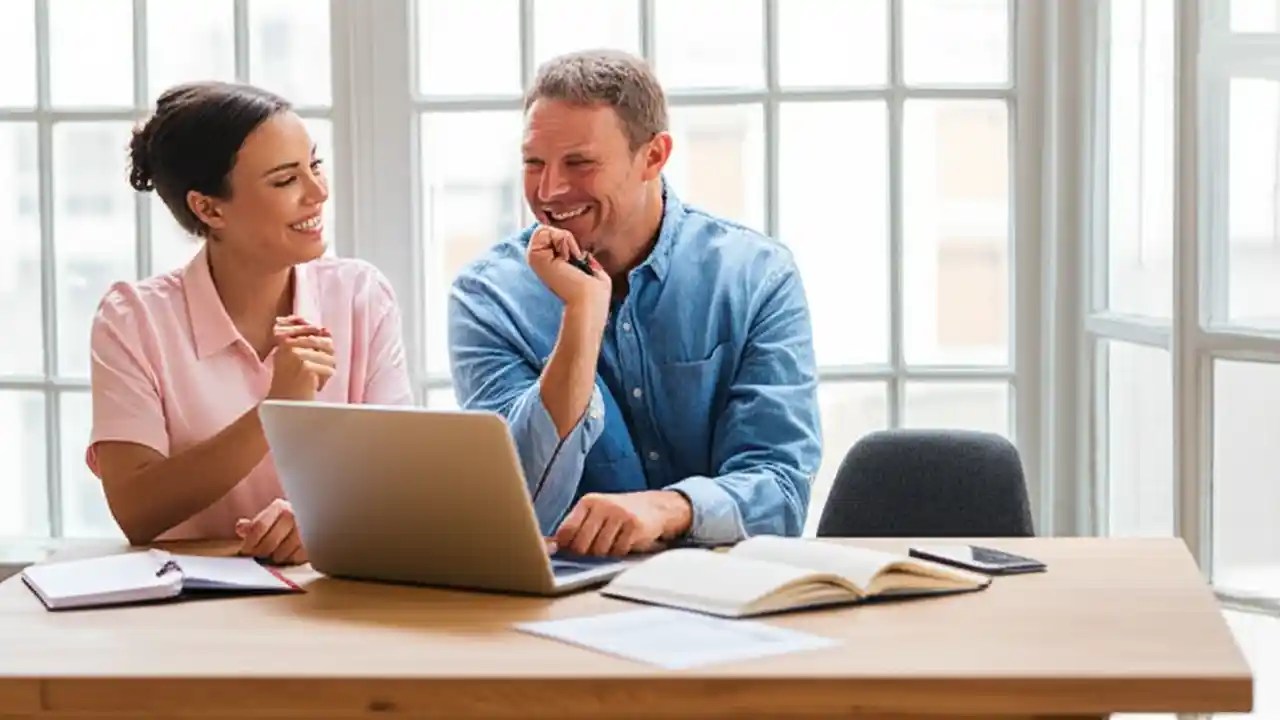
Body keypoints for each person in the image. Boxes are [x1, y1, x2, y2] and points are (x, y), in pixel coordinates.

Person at [448, 50, 822, 558]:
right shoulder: (487, 298)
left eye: (579, 163)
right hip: (561, 604)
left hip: (725, 594)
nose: (550, 190)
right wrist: (581, 316)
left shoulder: (756, 276)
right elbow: (517, 502)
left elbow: (780, 491)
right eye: (534, 163)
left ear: (654, 156)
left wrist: (667, 508)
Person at [88, 81, 413, 564]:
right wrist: (275, 409)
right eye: (286, 180)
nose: (319, 193)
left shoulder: (361, 296)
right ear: (209, 207)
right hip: (189, 606)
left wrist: (327, 520)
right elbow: (136, 511)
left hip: (336, 595)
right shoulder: (133, 320)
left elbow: (403, 482)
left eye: (315, 166)